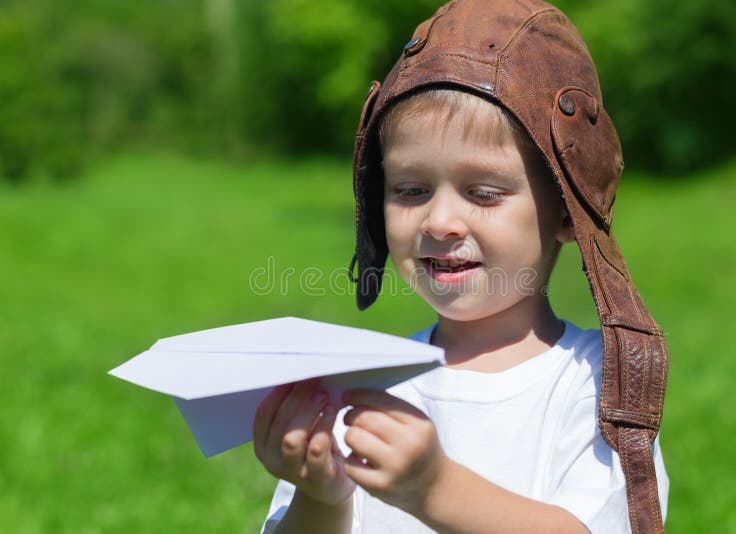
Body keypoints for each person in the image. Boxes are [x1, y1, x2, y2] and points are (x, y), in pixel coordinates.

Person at [252, 1, 670, 532]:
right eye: (410, 189)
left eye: (484, 193)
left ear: (568, 209)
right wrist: (323, 498)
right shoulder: (363, 382)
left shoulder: (594, 386)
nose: (441, 220)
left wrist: (433, 489)